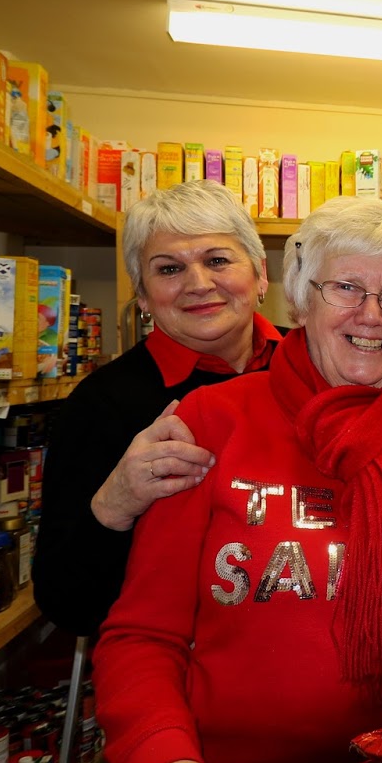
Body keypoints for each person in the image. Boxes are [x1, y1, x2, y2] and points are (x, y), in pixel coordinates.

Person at [93, 197, 382, 763]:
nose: (371, 314)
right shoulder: (212, 421)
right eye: (346, 288)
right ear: (303, 300)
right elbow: (144, 635)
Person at [34, 180, 282, 636]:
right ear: (143, 296)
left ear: (260, 274)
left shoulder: (316, 365)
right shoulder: (100, 404)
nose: (198, 283)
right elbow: (66, 603)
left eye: (218, 260)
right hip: (183, 662)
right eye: (169, 269)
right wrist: (116, 503)